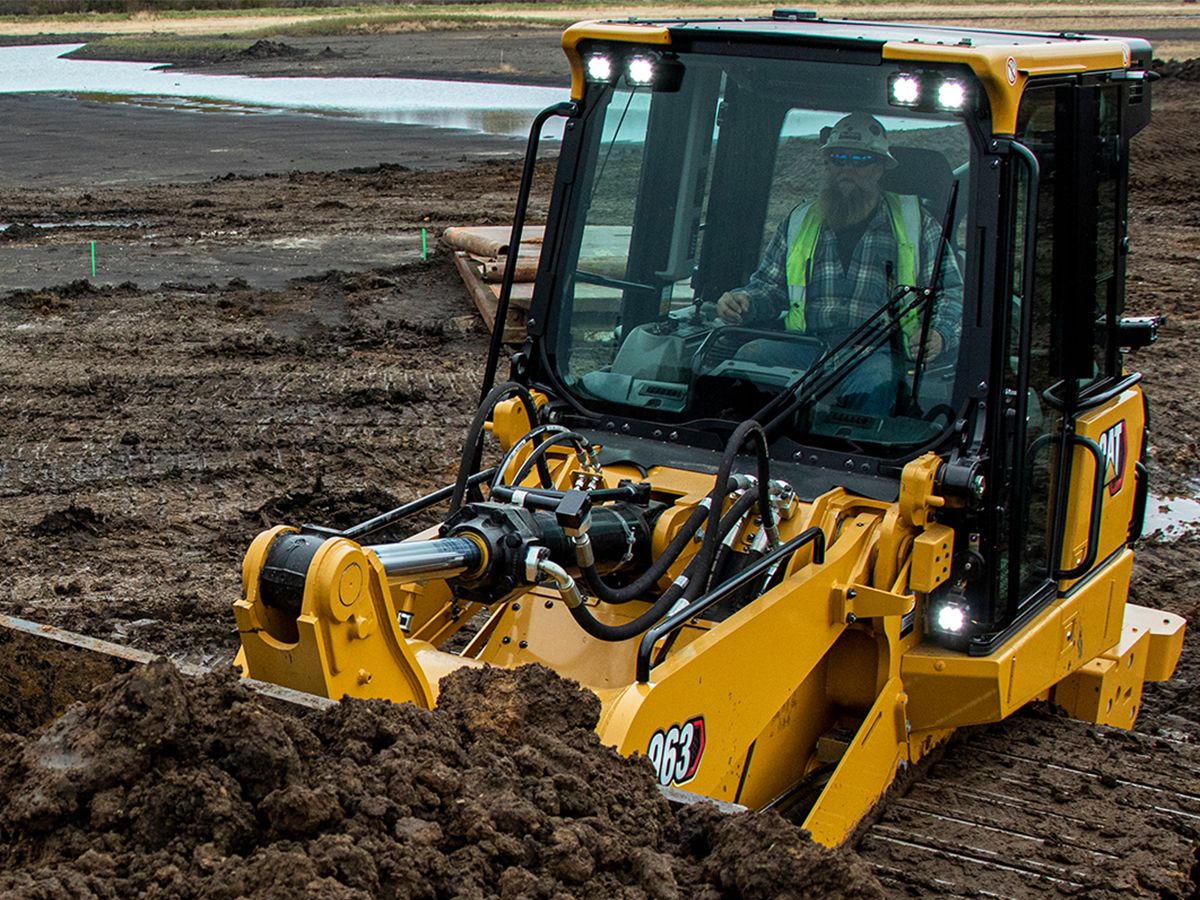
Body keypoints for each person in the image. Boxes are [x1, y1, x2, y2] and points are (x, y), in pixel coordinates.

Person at [715, 111, 962, 414]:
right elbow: (769, 287)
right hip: (808, 347)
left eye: (860, 161)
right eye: (838, 159)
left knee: (878, 380)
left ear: (880, 167)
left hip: (878, 351)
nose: (847, 169)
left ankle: (857, 456)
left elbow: (949, 290)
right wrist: (743, 302)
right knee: (749, 356)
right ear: (827, 164)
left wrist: (939, 334)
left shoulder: (916, 223)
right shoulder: (799, 221)